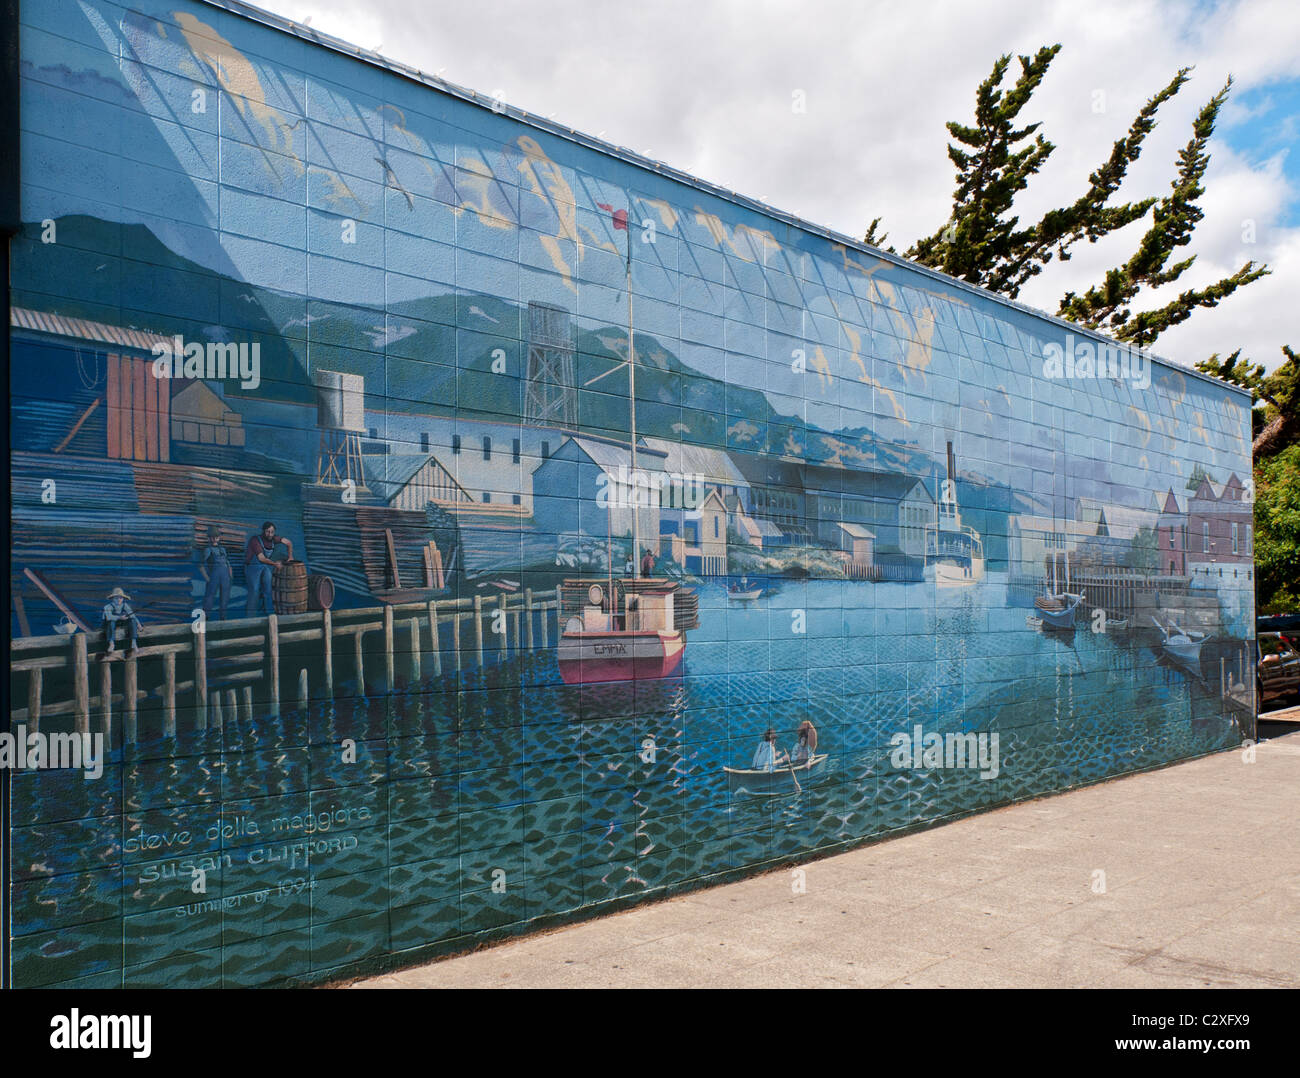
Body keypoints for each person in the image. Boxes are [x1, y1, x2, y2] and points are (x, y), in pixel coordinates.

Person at [245, 521, 293, 616]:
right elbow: (261, 558)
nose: (270, 534)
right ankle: (250, 617)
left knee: (268, 590)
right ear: (263, 531)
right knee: (254, 590)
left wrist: (290, 556)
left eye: (272, 532)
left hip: (264, 565)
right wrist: (275, 564)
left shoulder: (274, 539)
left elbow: (288, 543)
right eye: (267, 531)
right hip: (252, 567)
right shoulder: (255, 540)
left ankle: (269, 615)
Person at [200, 526, 232, 621]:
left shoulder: (223, 550)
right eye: (212, 537)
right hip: (214, 576)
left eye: (216, 537)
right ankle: (205, 618)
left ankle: (223, 618)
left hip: (225, 576)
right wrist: (207, 578)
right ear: (209, 538)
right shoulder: (208, 550)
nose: (214, 539)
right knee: (209, 597)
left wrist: (230, 575)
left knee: (225, 597)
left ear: (219, 538)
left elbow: (228, 563)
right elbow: (200, 565)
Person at [101, 587, 141, 655]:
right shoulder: (107, 607)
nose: (119, 600)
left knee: (132, 620)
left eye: (121, 598)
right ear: (113, 599)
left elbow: (132, 615)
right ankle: (111, 643)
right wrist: (120, 617)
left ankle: (134, 643)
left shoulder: (125, 605)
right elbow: (109, 617)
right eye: (116, 598)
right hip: (108, 624)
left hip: (119, 622)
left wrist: (138, 624)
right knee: (111, 622)